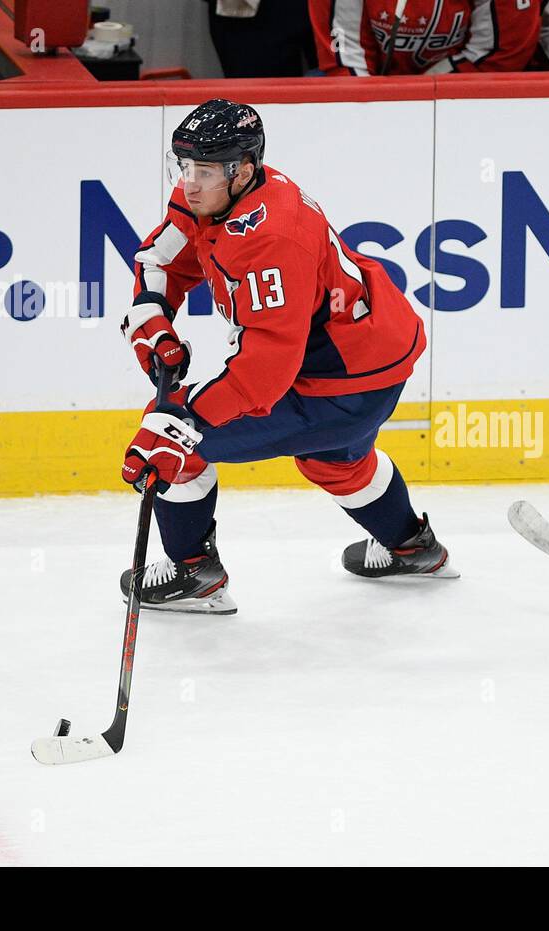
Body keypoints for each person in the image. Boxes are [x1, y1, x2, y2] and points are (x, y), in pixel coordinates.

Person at [119, 98, 455, 615]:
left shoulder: (271, 237)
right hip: (370, 354)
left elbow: (267, 366)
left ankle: (193, 574)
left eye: (203, 170)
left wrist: (185, 424)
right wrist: (151, 309)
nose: (188, 182)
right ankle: (412, 549)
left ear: (243, 170)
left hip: (340, 381)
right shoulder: (219, 193)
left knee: (177, 437)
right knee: (338, 461)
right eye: (183, 166)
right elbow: (166, 254)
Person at [311, 0, 539, 75]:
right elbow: (346, 57)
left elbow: (504, 50)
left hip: (465, 96)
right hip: (376, 86)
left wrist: (427, 93)